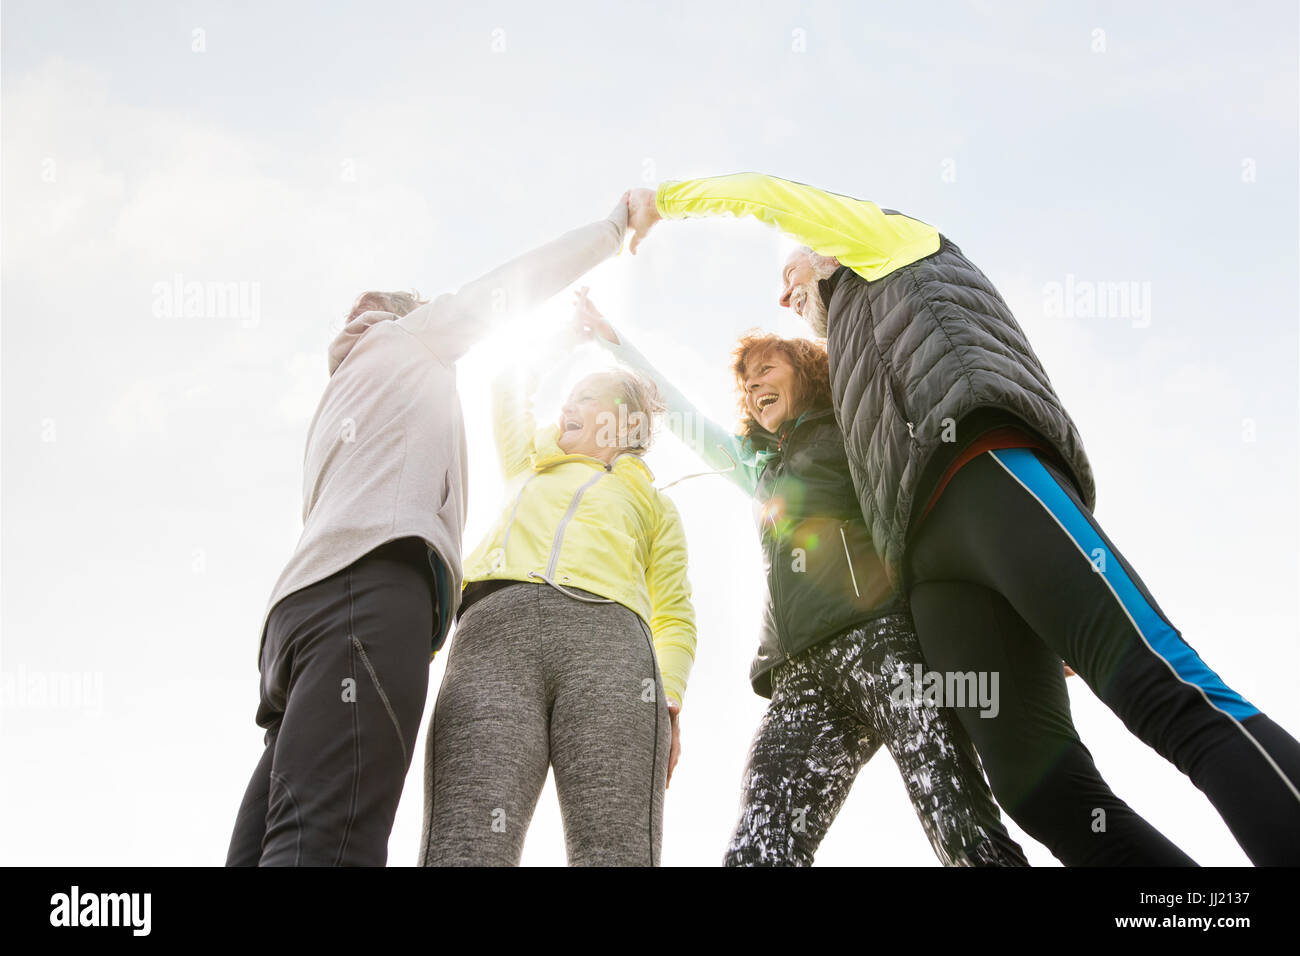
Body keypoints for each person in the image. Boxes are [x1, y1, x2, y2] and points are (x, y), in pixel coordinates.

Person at [621, 171, 1300, 866]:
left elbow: (767, 195)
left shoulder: (885, 245)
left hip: (983, 472)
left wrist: (664, 201)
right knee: (1041, 792)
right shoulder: (845, 386)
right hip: (930, 568)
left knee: (1160, 690)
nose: (781, 292)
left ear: (825, 249)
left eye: (789, 268)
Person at [226, 196, 629, 866]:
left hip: (293, 624)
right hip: (368, 595)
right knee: (328, 840)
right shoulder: (405, 339)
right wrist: (613, 230)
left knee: (270, 841)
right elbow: (504, 291)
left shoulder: (343, 396)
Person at [572, 289, 1026, 866]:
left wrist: (1020, 612)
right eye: (746, 380)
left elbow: (944, 516)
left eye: (767, 367)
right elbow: (681, 413)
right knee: (758, 850)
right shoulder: (758, 467)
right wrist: (613, 339)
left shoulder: (850, 430)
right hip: (799, 677)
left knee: (959, 821)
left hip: (883, 645)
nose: (754, 384)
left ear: (805, 372)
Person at [418, 326, 696, 867]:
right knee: (467, 840)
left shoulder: (656, 506)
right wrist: (565, 338)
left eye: (588, 396)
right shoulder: (528, 461)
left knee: (615, 853)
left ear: (628, 420)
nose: (570, 401)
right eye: (572, 392)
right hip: (495, 638)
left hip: (613, 655)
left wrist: (671, 696)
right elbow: (508, 382)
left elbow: (676, 614)